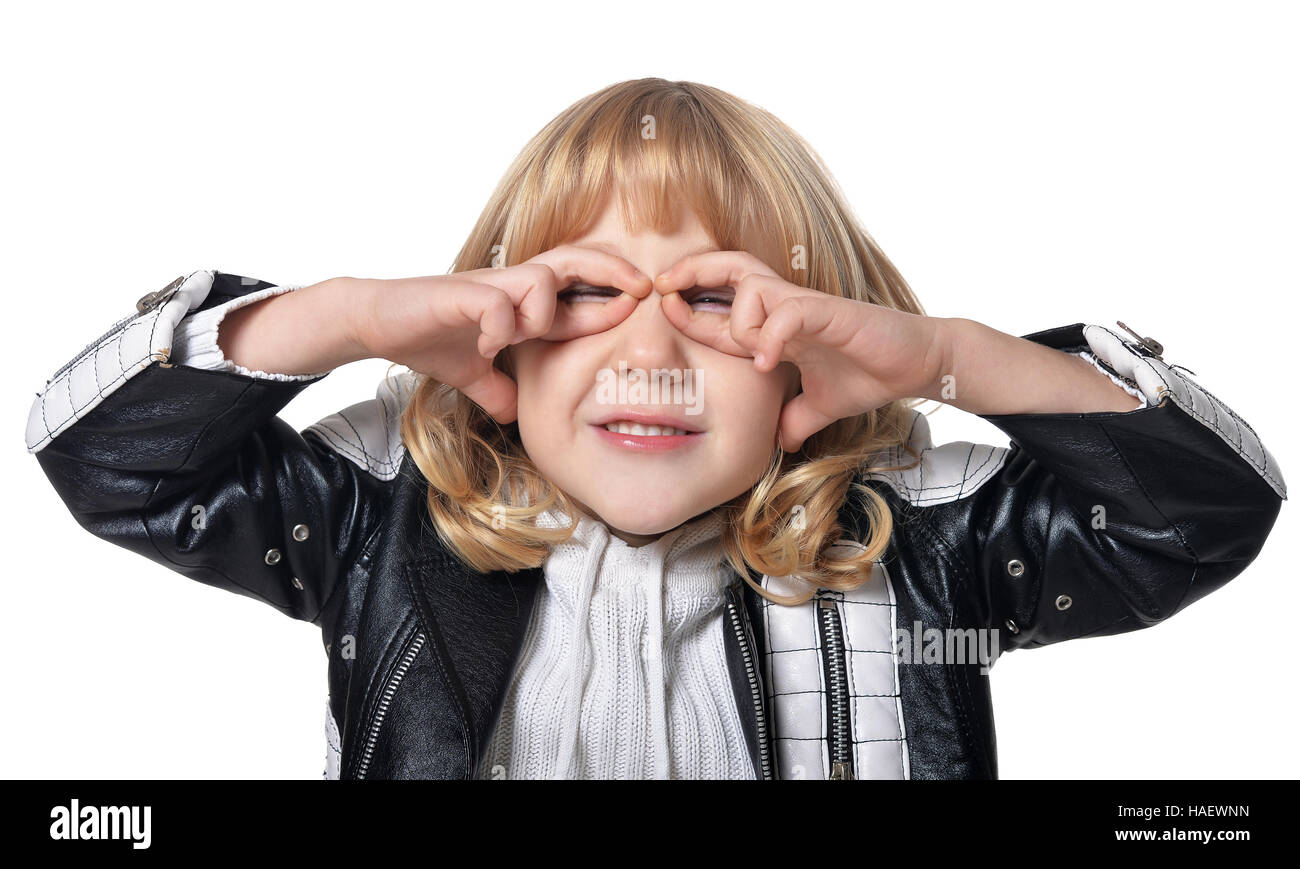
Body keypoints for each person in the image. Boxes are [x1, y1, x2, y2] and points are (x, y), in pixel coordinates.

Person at [25, 78, 1286, 779]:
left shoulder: (914, 538)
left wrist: (958, 355)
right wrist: (345, 316)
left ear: (824, 345)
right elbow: (113, 458)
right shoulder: (381, 510)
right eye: (580, 292)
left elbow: (1200, 516)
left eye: (716, 299)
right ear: (488, 327)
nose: (645, 349)